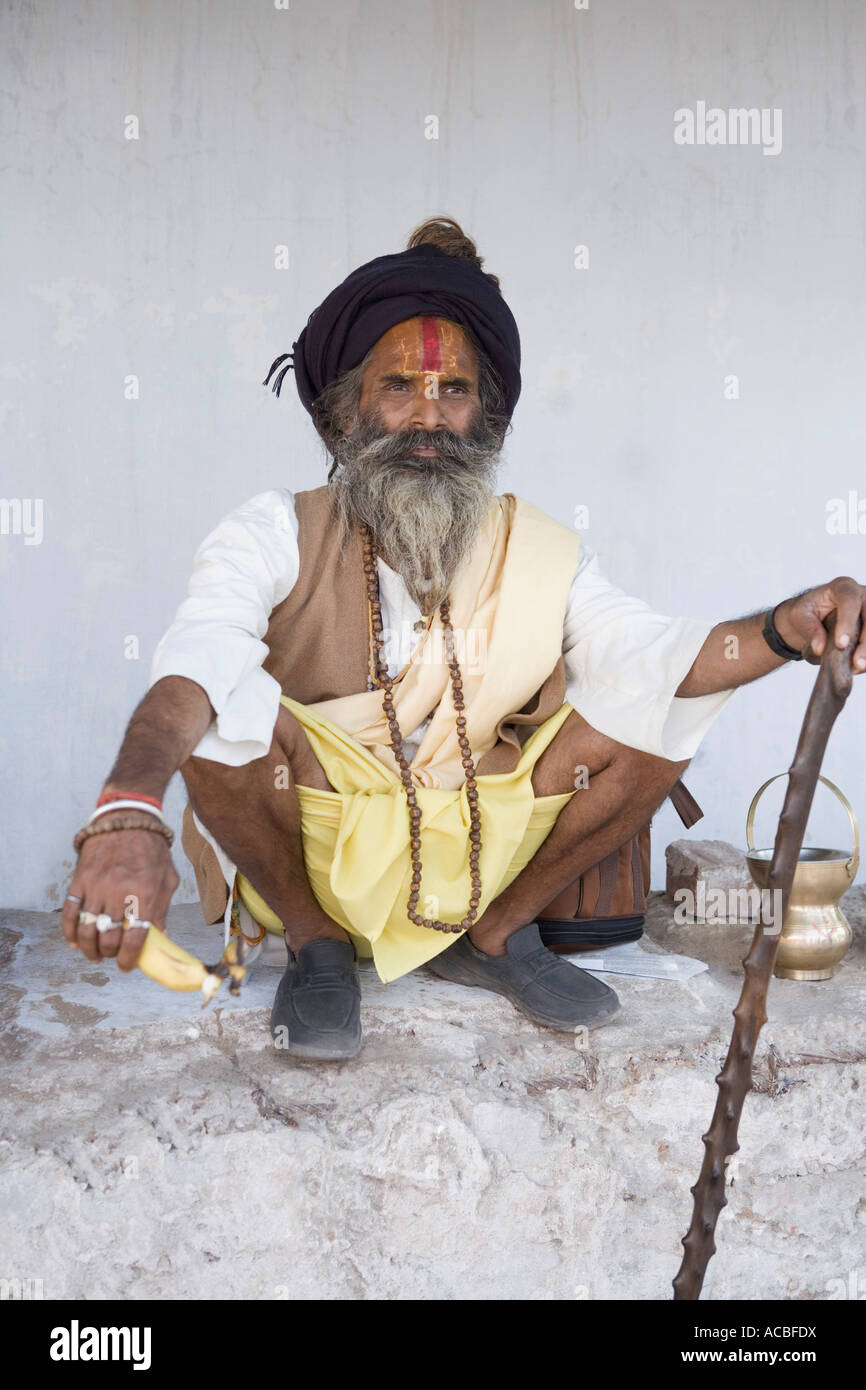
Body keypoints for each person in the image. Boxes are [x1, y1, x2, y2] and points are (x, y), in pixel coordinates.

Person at [62, 217, 866, 1061]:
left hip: (485, 838)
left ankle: (497, 938)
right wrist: (128, 810)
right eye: (399, 387)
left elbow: (651, 652)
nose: (428, 418)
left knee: (657, 704)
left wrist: (786, 628)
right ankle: (317, 946)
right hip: (315, 830)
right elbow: (198, 660)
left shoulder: (543, 547)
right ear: (346, 413)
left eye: (454, 393)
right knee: (228, 706)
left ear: (487, 416)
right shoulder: (273, 530)